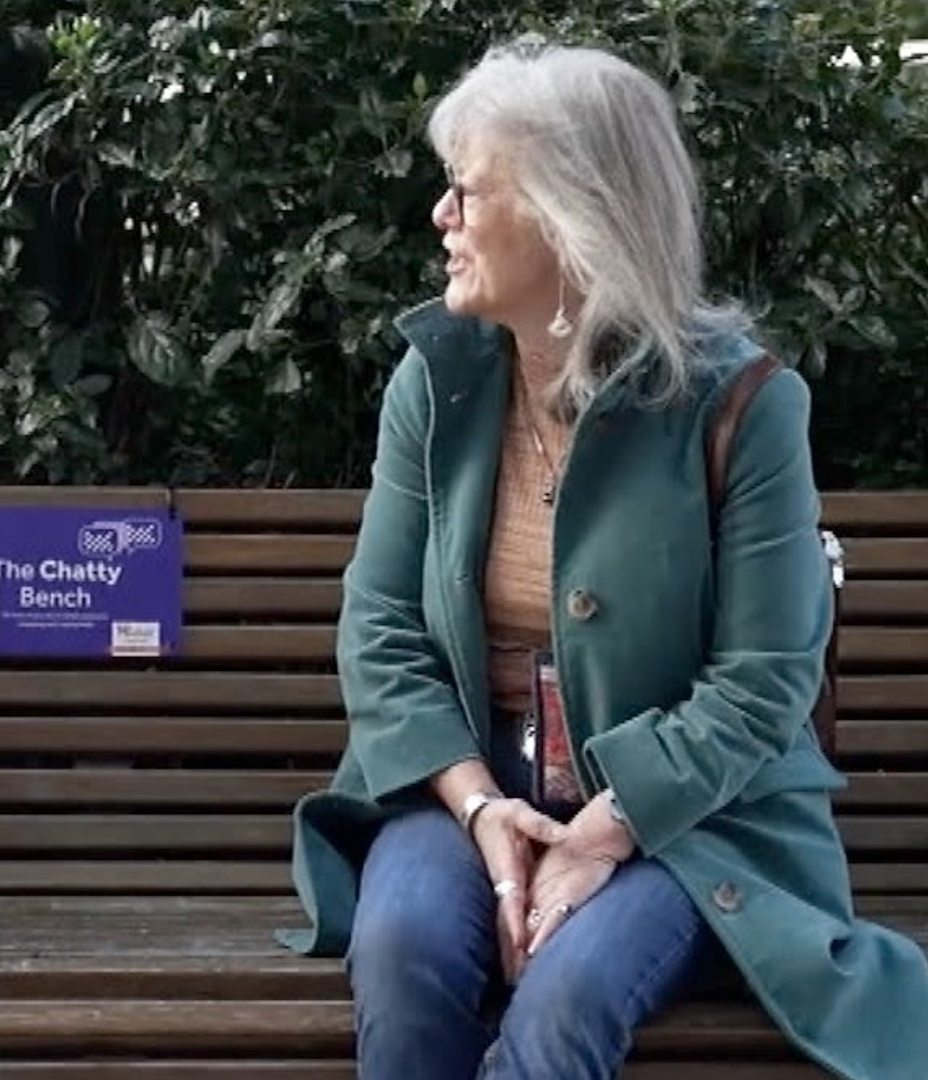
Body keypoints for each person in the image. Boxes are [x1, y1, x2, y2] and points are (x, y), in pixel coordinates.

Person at [278, 37, 928, 1080]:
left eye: (467, 193)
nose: (441, 220)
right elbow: (382, 629)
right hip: (468, 779)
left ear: (569, 216)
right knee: (402, 959)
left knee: (564, 1003)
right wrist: (484, 809)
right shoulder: (435, 383)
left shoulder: (743, 405)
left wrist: (603, 830)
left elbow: (764, 685)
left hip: (691, 816)